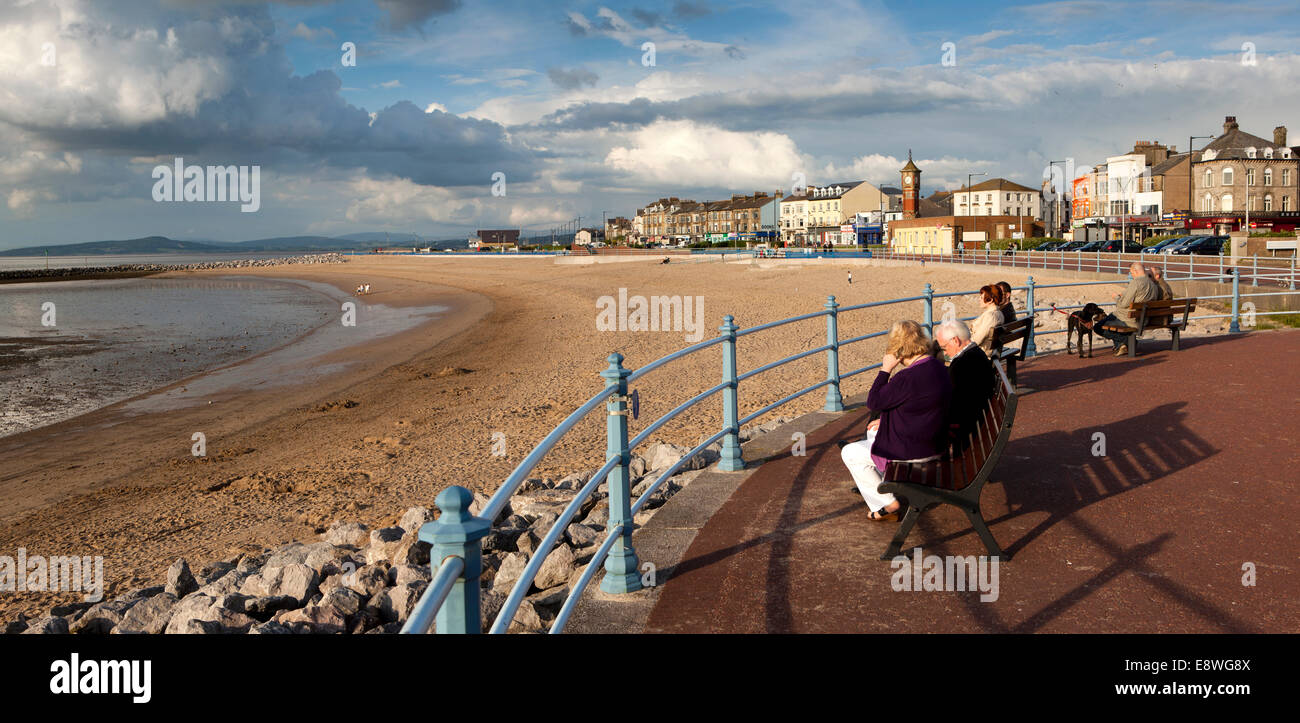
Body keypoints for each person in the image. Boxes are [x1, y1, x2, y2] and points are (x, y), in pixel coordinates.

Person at [840, 321, 952, 521]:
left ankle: (886, 504)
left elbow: (874, 402)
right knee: (873, 431)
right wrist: (885, 421)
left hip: (918, 450)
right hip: (935, 441)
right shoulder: (937, 366)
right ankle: (883, 485)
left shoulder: (906, 377)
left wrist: (885, 369)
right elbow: (920, 405)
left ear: (898, 349)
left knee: (850, 452)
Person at [934, 320, 995, 451]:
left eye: (944, 347)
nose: (944, 353)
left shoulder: (963, 364)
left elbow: (951, 404)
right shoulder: (976, 355)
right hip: (974, 423)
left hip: (961, 433)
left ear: (955, 341)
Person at [1093, 262, 1160, 356]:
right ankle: (1121, 346)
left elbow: (1123, 304)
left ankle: (1128, 342)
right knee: (1110, 320)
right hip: (1144, 319)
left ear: (1135, 271)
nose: (1131, 275)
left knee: (1098, 327)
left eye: (1131, 273)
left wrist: (1116, 298)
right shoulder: (1153, 285)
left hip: (1129, 320)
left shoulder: (1136, 282)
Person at [970, 284, 1006, 355]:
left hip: (983, 353)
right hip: (992, 350)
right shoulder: (999, 313)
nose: (979, 299)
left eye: (981, 297)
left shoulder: (990, 317)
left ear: (990, 300)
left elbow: (977, 340)